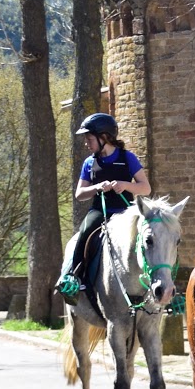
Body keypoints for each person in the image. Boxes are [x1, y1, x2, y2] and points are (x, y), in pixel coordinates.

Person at [55, 113, 151, 303]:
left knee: (153, 236)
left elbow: (146, 188)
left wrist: (125, 185)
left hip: (126, 212)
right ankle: (73, 278)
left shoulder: (127, 158)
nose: (86, 143)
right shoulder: (89, 163)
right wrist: (97, 187)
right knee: (83, 234)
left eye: (89, 139)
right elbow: (80, 193)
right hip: (100, 211)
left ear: (104, 137)